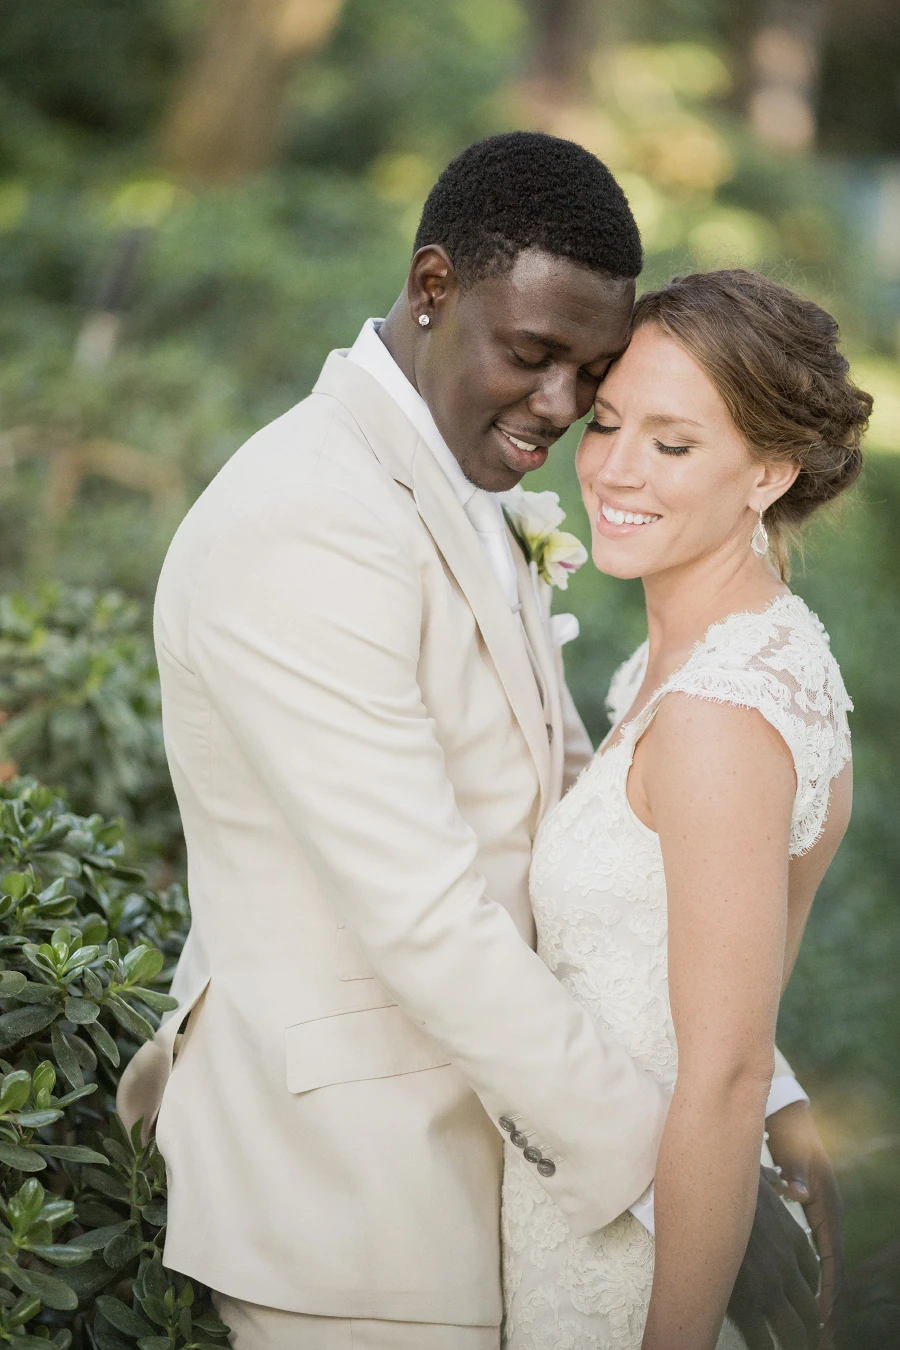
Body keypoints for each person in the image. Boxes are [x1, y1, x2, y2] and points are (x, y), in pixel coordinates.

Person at [119, 134, 826, 1350]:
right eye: (533, 356)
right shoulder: (305, 521)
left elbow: (568, 826)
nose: (561, 412)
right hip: (357, 1201)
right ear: (434, 287)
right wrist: (682, 1181)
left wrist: (753, 1087)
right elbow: (425, 917)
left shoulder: (453, 474)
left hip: (501, 1170)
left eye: (588, 374)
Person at [501, 269, 871, 1350]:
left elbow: (721, 1072)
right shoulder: (718, 656)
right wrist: (788, 1105)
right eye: (607, 422)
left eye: (672, 445)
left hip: (637, 1256)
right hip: (590, 1195)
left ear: (767, 472)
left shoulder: (720, 712)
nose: (613, 467)